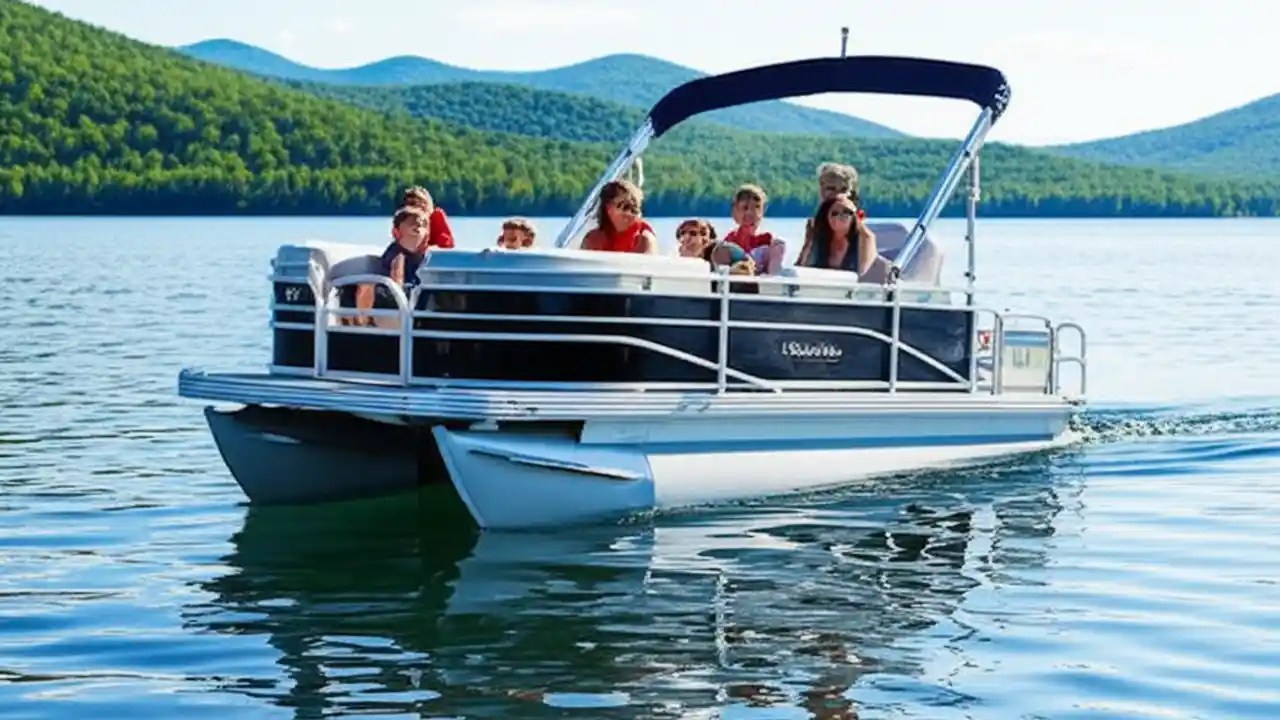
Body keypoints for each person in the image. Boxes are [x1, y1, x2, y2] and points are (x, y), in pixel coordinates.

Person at [797, 193, 889, 282]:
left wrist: (859, 223)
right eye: (835, 213)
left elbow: (865, 272)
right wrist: (809, 239)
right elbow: (800, 270)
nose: (841, 216)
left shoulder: (863, 239)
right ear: (826, 217)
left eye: (846, 212)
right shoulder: (817, 240)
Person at [797, 163, 860, 265]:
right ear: (821, 190)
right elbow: (803, 263)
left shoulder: (857, 225)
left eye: (844, 189)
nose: (838, 195)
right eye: (831, 188)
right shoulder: (815, 224)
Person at [580, 180, 659, 254]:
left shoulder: (644, 239)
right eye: (625, 207)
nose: (629, 213)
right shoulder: (593, 239)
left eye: (635, 209)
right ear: (608, 208)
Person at [722, 184, 785, 275]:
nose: (751, 213)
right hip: (738, 278)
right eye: (745, 208)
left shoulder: (766, 239)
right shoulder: (731, 239)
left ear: (763, 211)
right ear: (735, 211)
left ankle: (774, 283)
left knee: (779, 245)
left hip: (760, 280)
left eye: (757, 207)